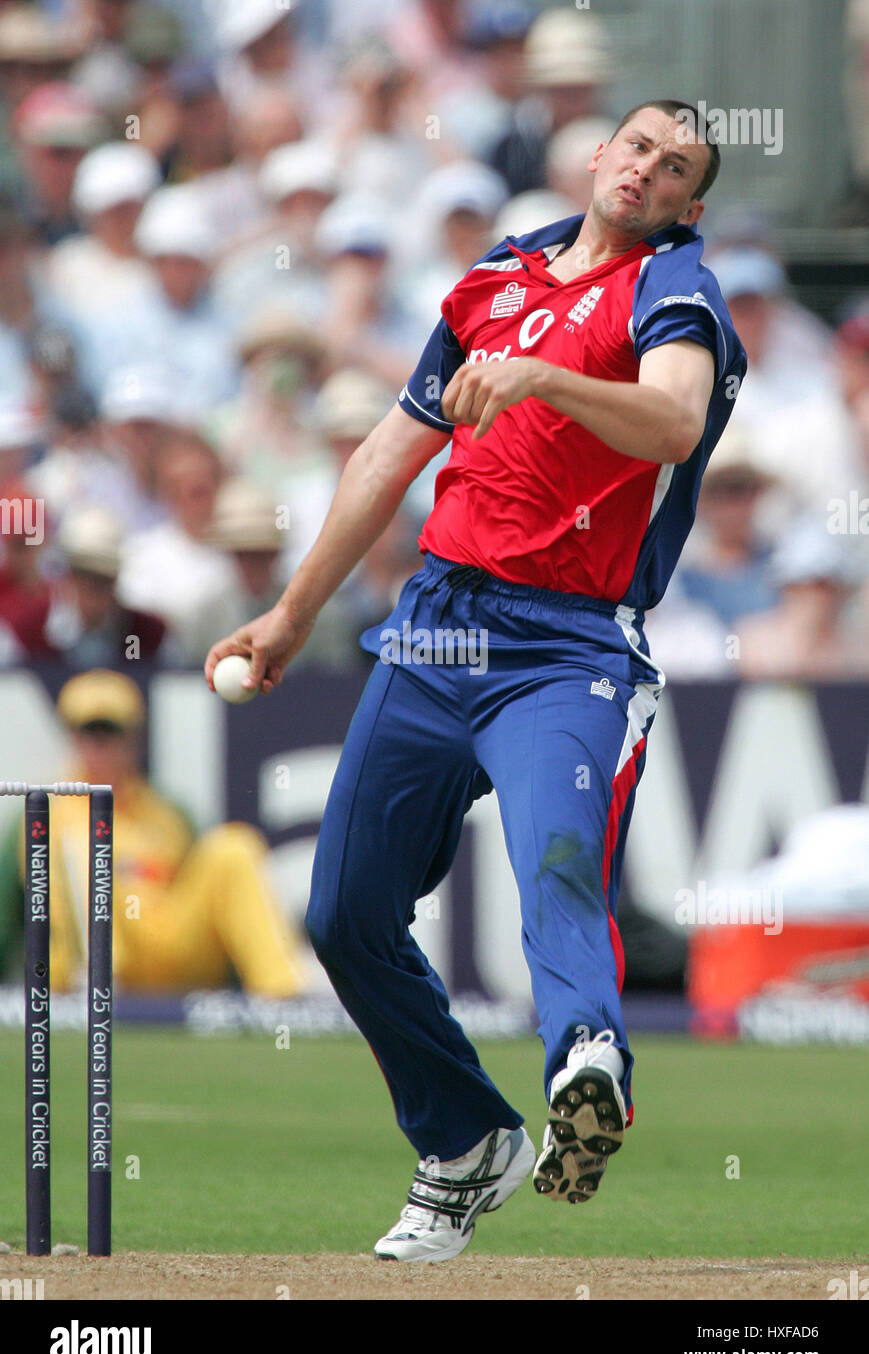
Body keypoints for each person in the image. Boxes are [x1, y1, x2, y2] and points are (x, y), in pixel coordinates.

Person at [205, 101, 747, 1262]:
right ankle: (462, 1145)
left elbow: (670, 421)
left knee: (557, 867)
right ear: (599, 154)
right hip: (432, 629)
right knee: (344, 913)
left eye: (675, 170)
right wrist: (293, 615)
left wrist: (541, 380)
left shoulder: (674, 288)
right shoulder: (490, 282)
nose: (647, 171)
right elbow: (385, 455)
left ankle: (585, 1064)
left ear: (685, 206)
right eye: (637, 146)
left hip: (570, 646)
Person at [0, 669, 305, 996]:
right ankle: (100, 983)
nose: (100, 745)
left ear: (135, 738)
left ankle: (282, 998)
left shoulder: (168, 813)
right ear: (72, 738)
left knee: (234, 846)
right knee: (84, 841)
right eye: (89, 732)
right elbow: (6, 912)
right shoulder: (42, 814)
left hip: (174, 956)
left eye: (111, 731)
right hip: (84, 972)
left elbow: (208, 899)